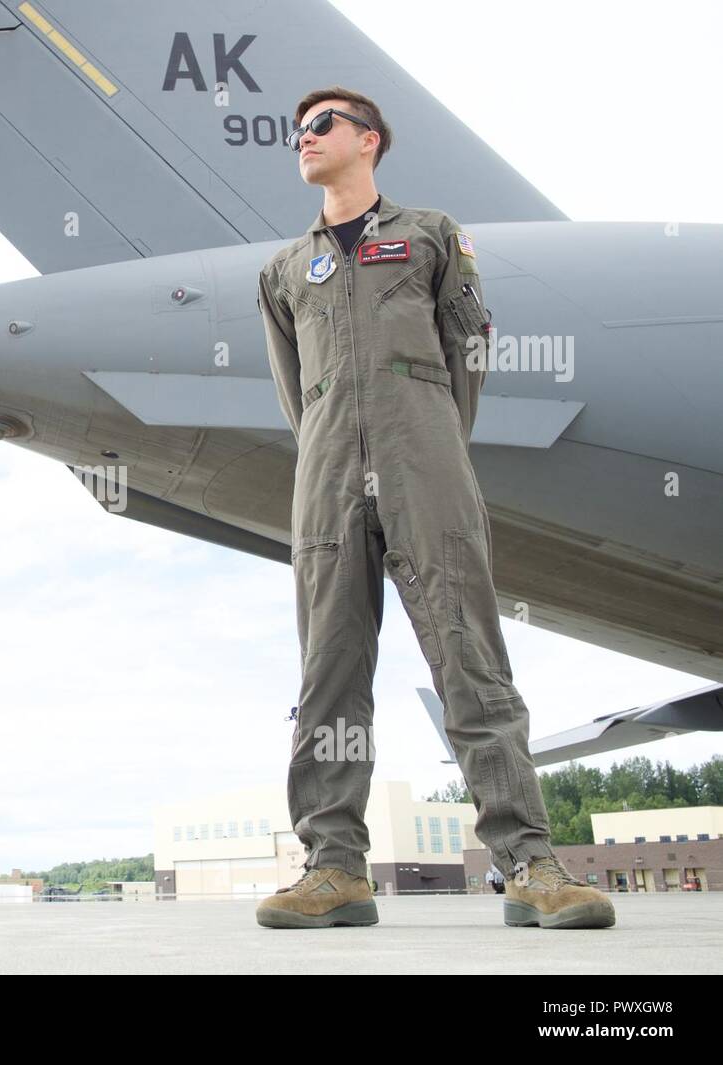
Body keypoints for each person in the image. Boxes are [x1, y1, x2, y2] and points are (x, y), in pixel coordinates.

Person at [253, 86, 614, 931]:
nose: (303, 138)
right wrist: (337, 452)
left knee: (470, 656)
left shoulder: (430, 236)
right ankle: (334, 867)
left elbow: (469, 353)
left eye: (321, 125)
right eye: (297, 130)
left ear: (368, 140)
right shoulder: (280, 272)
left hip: (428, 467)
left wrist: (425, 439)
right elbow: (294, 391)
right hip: (327, 480)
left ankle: (529, 861)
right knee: (328, 672)